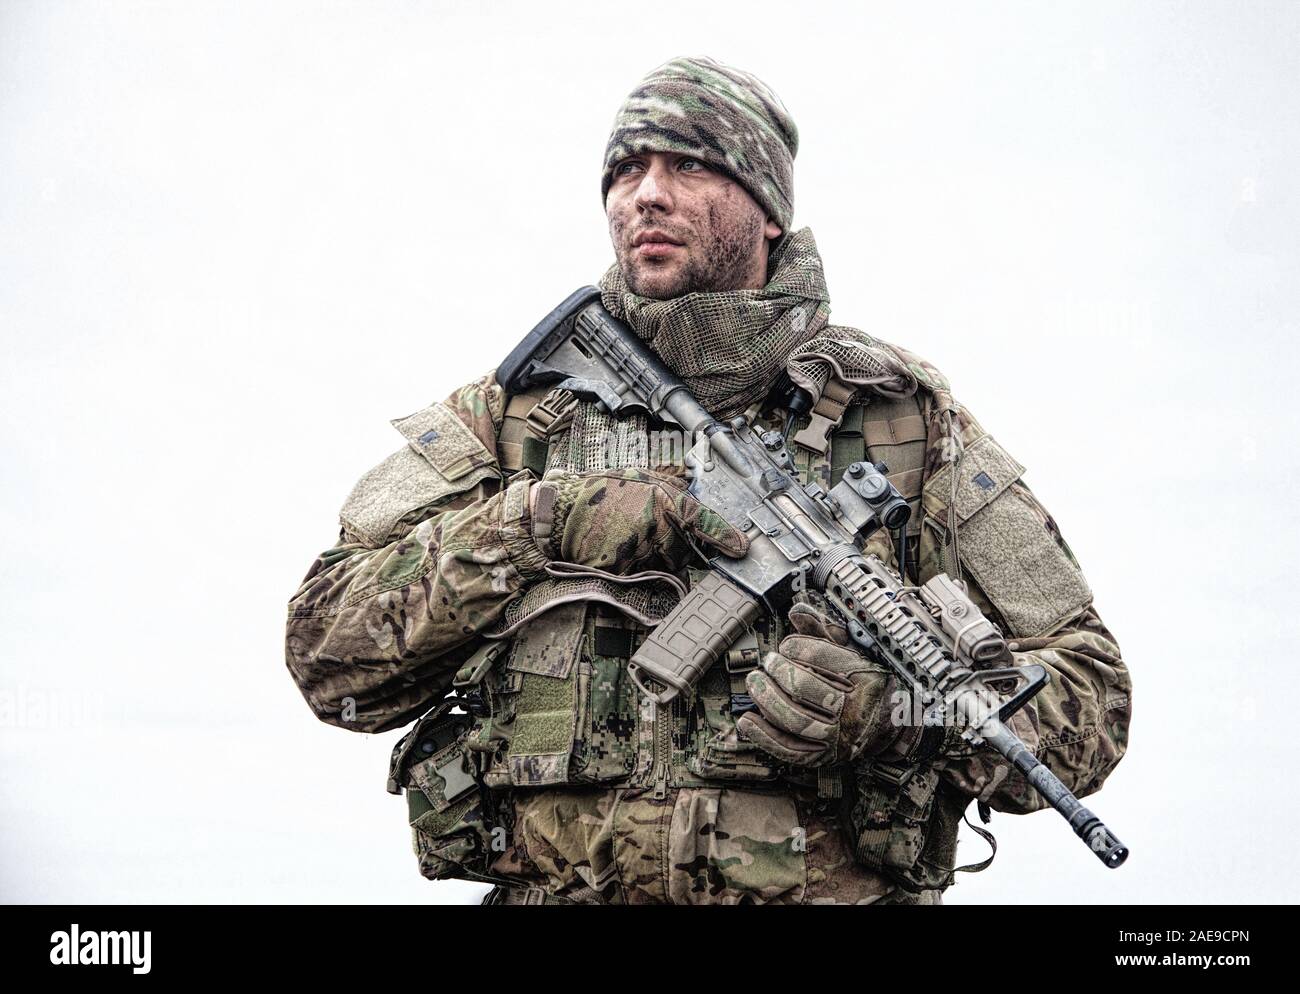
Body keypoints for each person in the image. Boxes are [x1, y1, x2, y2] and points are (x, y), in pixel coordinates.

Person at [284, 56, 1131, 905]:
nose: (645, 195)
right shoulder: (514, 423)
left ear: (766, 209)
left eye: (689, 165)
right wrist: (536, 527)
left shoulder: (903, 421)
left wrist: (897, 719)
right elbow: (326, 655)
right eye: (625, 171)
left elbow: (1093, 702)